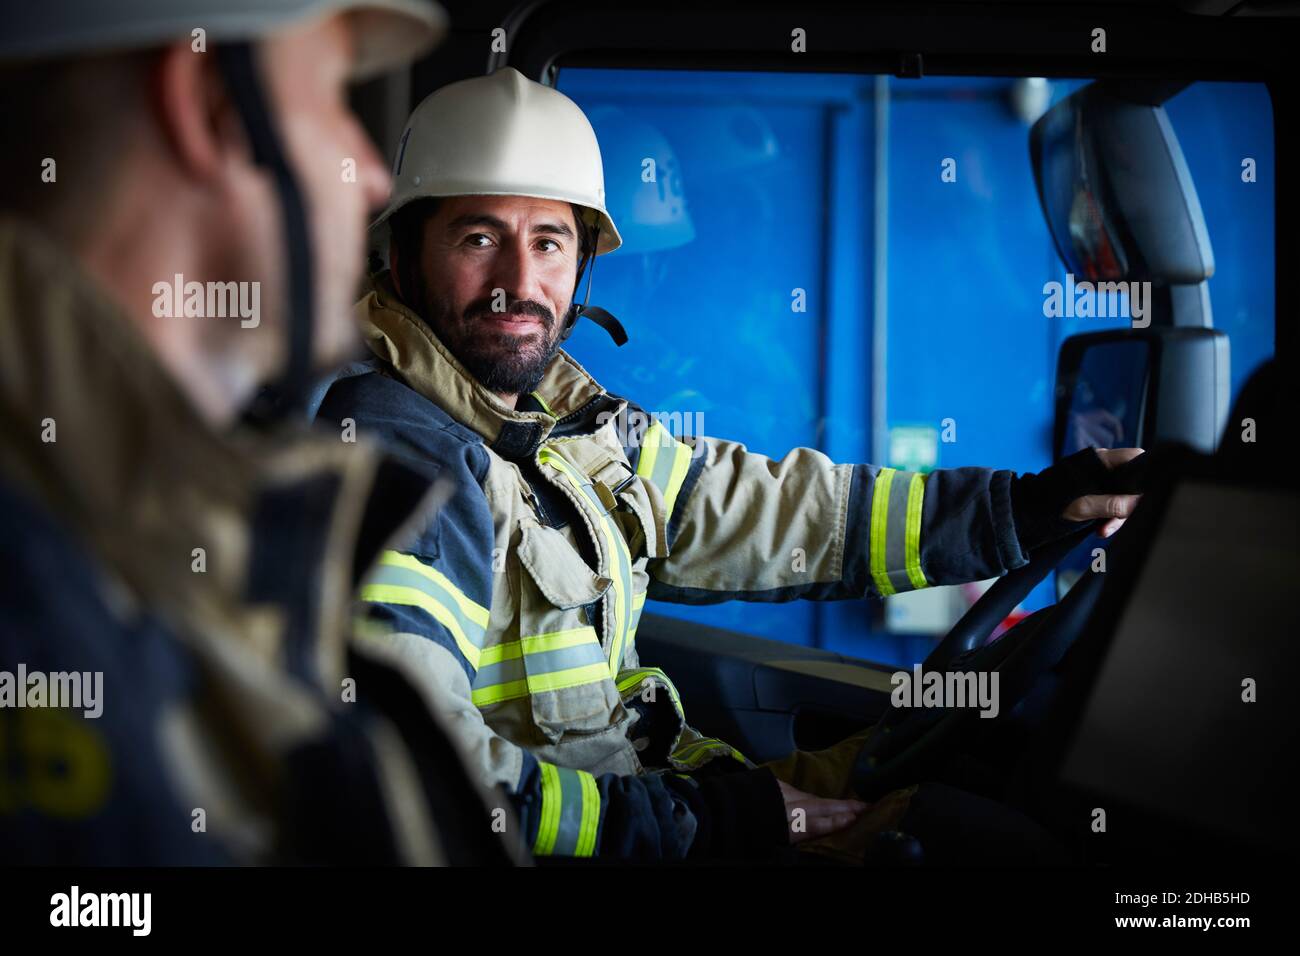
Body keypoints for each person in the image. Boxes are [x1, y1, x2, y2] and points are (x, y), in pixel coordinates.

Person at [311, 66, 1142, 863]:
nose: (518, 283)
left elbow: (765, 511)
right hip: (613, 839)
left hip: (664, 798)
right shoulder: (400, 451)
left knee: (954, 783)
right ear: (403, 258)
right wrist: (708, 822)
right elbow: (416, 768)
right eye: (478, 237)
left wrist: (1020, 512)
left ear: (583, 264)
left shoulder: (552, 421)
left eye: (550, 242)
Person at [0, 0, 519, 865]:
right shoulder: (45, 588)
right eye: (332, 102)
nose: (372, 175)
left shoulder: (126, 526)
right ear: (212, 103)